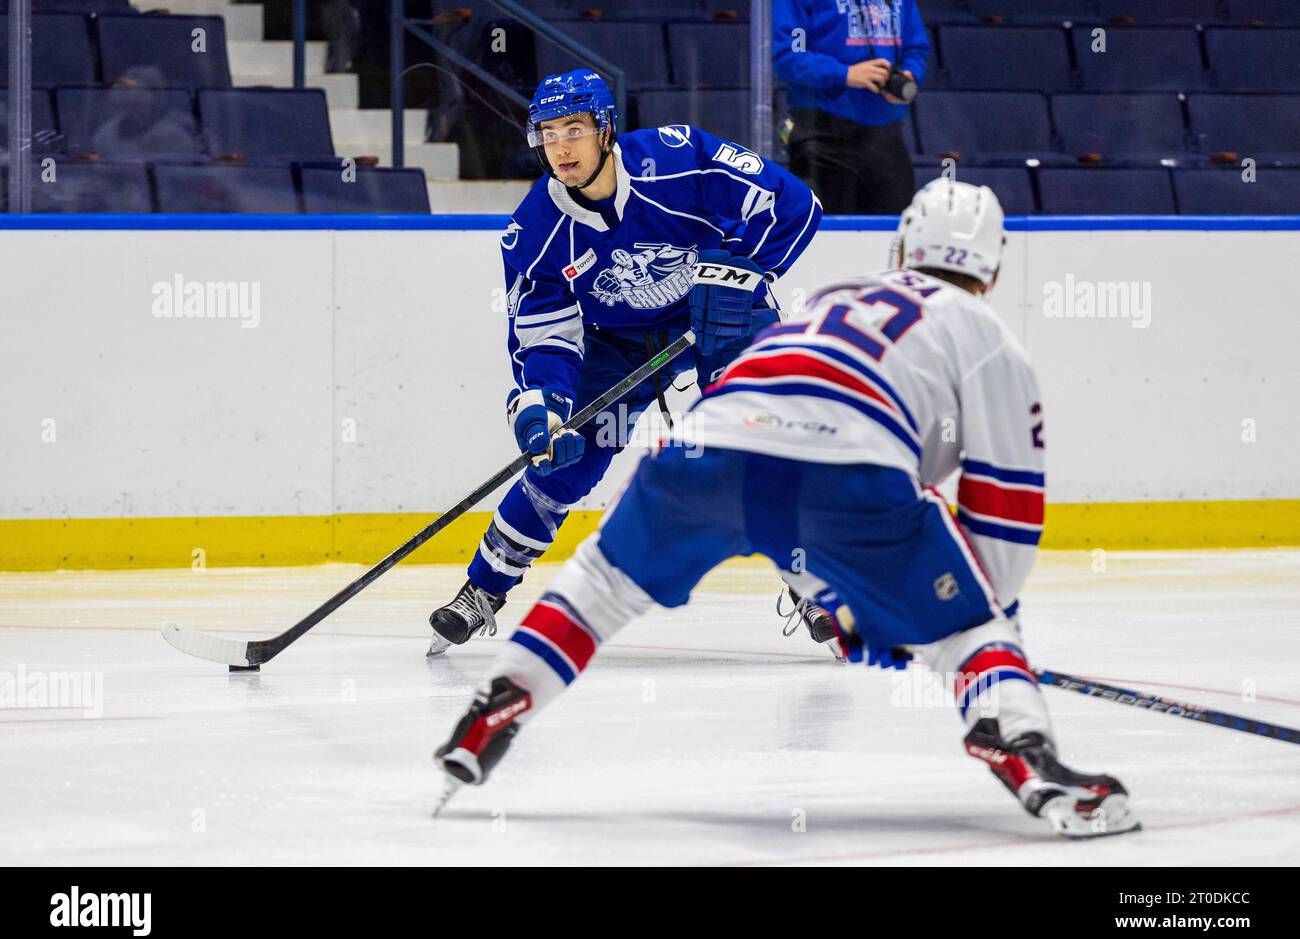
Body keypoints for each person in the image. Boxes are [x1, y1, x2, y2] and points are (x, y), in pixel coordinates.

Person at [431, 178, 1141, 839]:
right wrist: (976, 627)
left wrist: (852, 592)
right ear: (992, 269)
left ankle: (501, 696)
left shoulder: (838, 296)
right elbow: (1001, 507)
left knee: (604, 585)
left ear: (900, 247)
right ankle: (1022, 745)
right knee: (970, 629)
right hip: (849, 468)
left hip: (707, 444)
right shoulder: (989, 338)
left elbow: (772, 430)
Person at [426, 69, 826, 655]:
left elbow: (794, 204)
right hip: (613, 345)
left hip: (716, 310)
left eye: (575, 129)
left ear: (605, 130)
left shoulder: (682, 159)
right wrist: (545, 406)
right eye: (549, 133)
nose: (561, 146)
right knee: (564, 465)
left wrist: (741, 271)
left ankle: (813, 583)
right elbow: (546, 336)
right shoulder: (533, 233)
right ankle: (482, 591)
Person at [773, 0, 929, 215]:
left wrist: (911, 74)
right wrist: (845, 74)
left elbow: (916, 49)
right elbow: (787, 55)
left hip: (885, 135)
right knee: (825, 236)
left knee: (894, 235)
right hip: (822, 135)